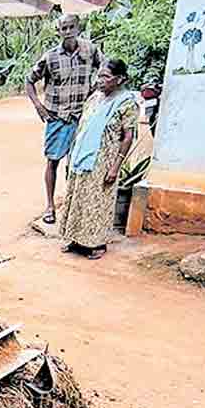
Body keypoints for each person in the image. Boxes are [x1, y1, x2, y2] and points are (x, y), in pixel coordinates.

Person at [26, 14, 105, 226]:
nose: (68, 31)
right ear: (58, 31)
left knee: (77, 163)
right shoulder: (50, 57)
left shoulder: (90, 50)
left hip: (82, 115)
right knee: (52, 160)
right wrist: (39, 106)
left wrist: (96, 89)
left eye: (71, 27)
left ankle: (72, 206)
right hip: (57, 116)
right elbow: (29, 81)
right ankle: (50, 206)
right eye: (64, 28)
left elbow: (105, 69)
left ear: (78, 28)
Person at [58, 58, 139, 260]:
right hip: (82, 156)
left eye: (106, 76)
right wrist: (73, 153)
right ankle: (75, 238)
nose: (100, 80)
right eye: (99, 75)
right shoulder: (95, 98)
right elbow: (83, 127)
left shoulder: (127, 103)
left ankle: (97, 244)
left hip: (104, 159)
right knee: (78, 197)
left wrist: (115, 166)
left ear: (120, 79)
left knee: (97, 202)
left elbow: (128, 136)